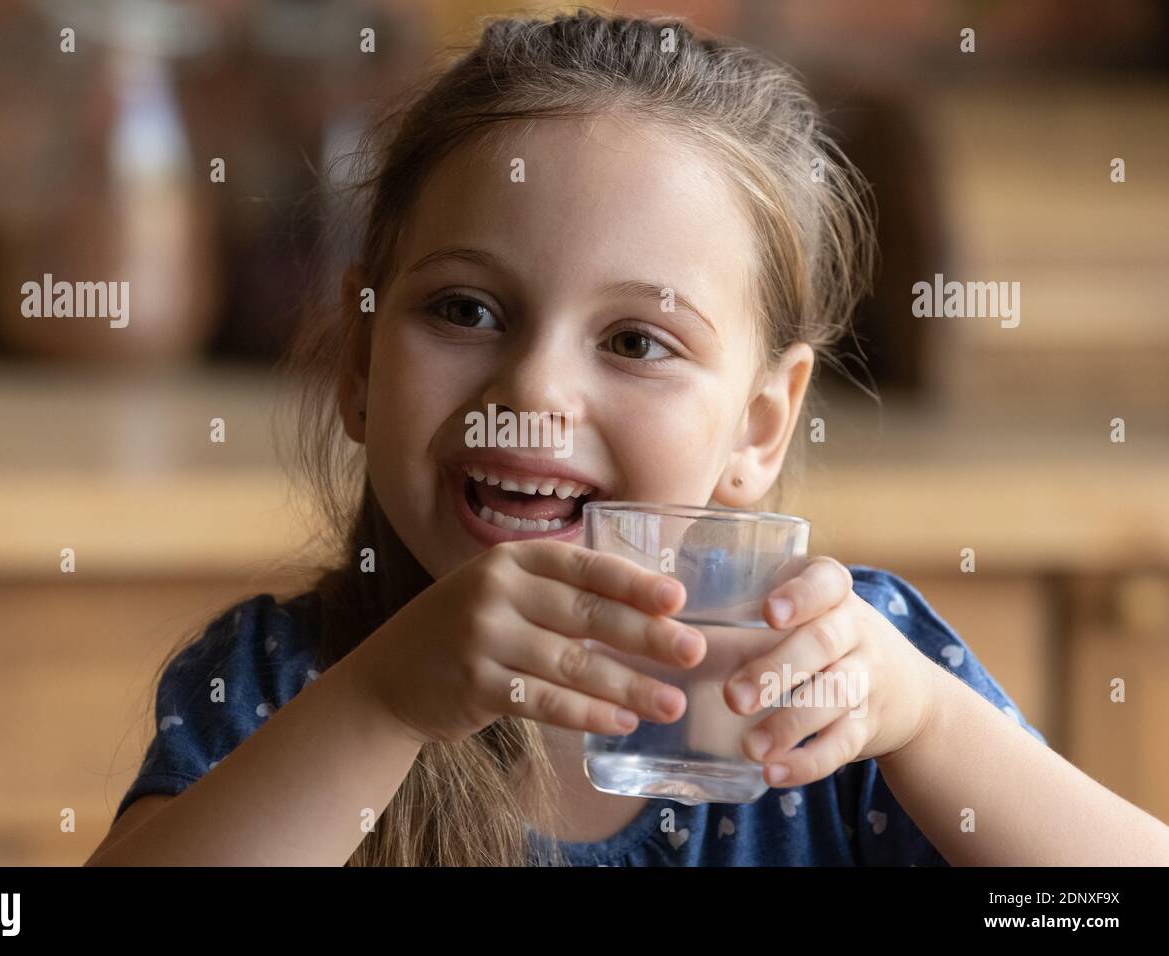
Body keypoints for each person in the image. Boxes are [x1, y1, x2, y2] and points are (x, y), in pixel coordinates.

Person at [86, 9, 1169, 867]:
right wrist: (382, 701)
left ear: (758, 425)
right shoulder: (286, 680)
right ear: (362, 365)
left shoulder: (836, 687)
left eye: (637, 340)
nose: (534, 391)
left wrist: (929, 718)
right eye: (465, 310)